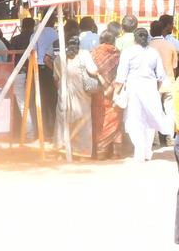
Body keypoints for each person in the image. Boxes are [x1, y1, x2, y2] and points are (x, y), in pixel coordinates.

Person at [112, 28, 172, 161]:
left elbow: (121, 76)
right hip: (150, 89)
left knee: (134, 120)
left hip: (134, 89)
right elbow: (161, 75)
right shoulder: (153, 53)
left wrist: (115, 93)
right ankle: (147, 152)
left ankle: (139, 151)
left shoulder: (128, 52)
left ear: (134, 39)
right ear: (147, 38)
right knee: (150, 121)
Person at [54, 35, 102, 157]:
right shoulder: (84, 54)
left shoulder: (60, 57)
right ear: (78, 44)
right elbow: (93, 70)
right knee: (83, 123)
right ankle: (82, 153)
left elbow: (56, 78)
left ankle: (62, 150)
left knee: (63, 122)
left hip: (64, 93)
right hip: (82, 94)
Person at [90, 31, 123, 160]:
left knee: (100, 121)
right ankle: (116, 153)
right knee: (115, 121)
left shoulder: (94, 53)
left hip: (99, 92)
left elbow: (91, 72)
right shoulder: (118, 54)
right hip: (115, 91)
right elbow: (121, 72)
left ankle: (101, 153)